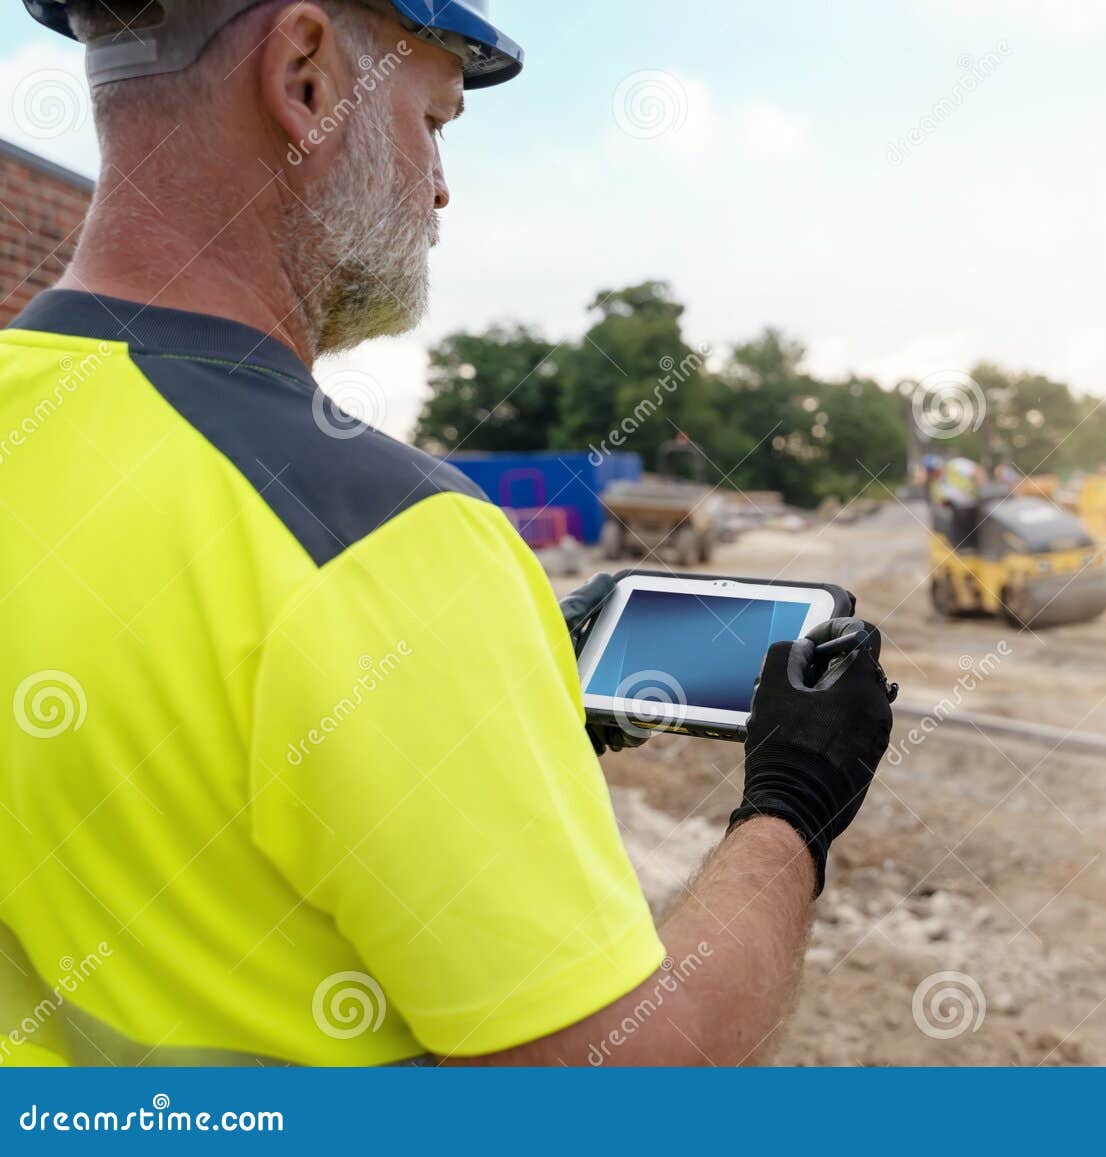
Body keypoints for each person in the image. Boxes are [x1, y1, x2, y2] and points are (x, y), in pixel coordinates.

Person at [0, 0, 893, 1067]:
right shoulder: (385, 537)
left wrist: (471, 686)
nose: (439, 182)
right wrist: (794, 807)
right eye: (433, 118)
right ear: (307, 77)